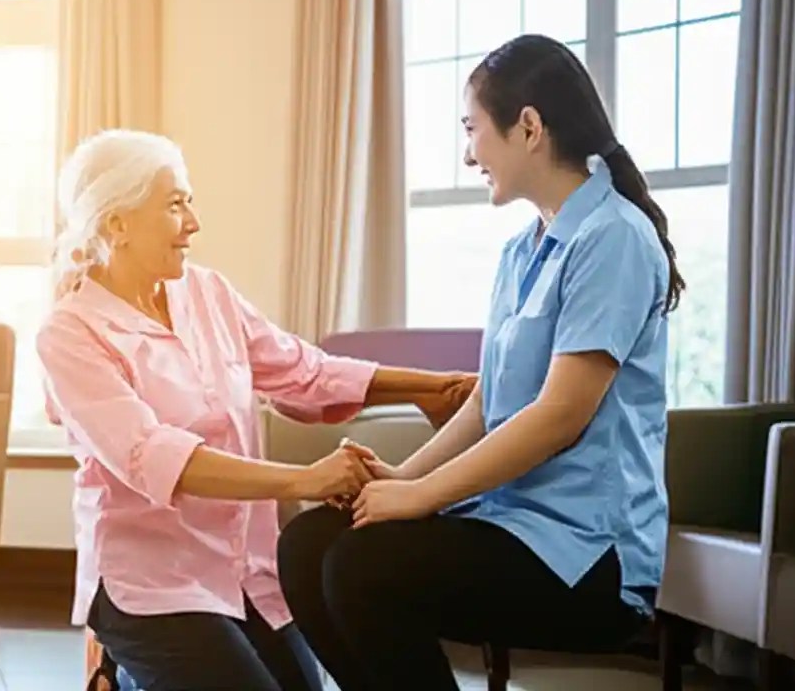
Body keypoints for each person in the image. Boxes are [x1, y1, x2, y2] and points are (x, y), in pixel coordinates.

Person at [276, 33, 680, 690]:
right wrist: (400, 477)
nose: (469, 154)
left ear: (529, 127)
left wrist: (420, 497)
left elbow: (559, 416)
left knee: (362, 567)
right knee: (307, 544)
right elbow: (489, 403)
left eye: (472, 130)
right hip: (508, 522)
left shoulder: (615, 238)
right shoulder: (522, 251)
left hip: (587, 553)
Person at [37, 128, 477, 691]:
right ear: (117, 223)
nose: (193, 223)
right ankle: (120, 673)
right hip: (150, 588)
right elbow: (155, 457)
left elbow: (305, 372)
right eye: (175, 205)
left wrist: (434, 387)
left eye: (189, 202)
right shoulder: (69, 334)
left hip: (245, 571)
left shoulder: (207, 293)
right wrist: (306, 480)